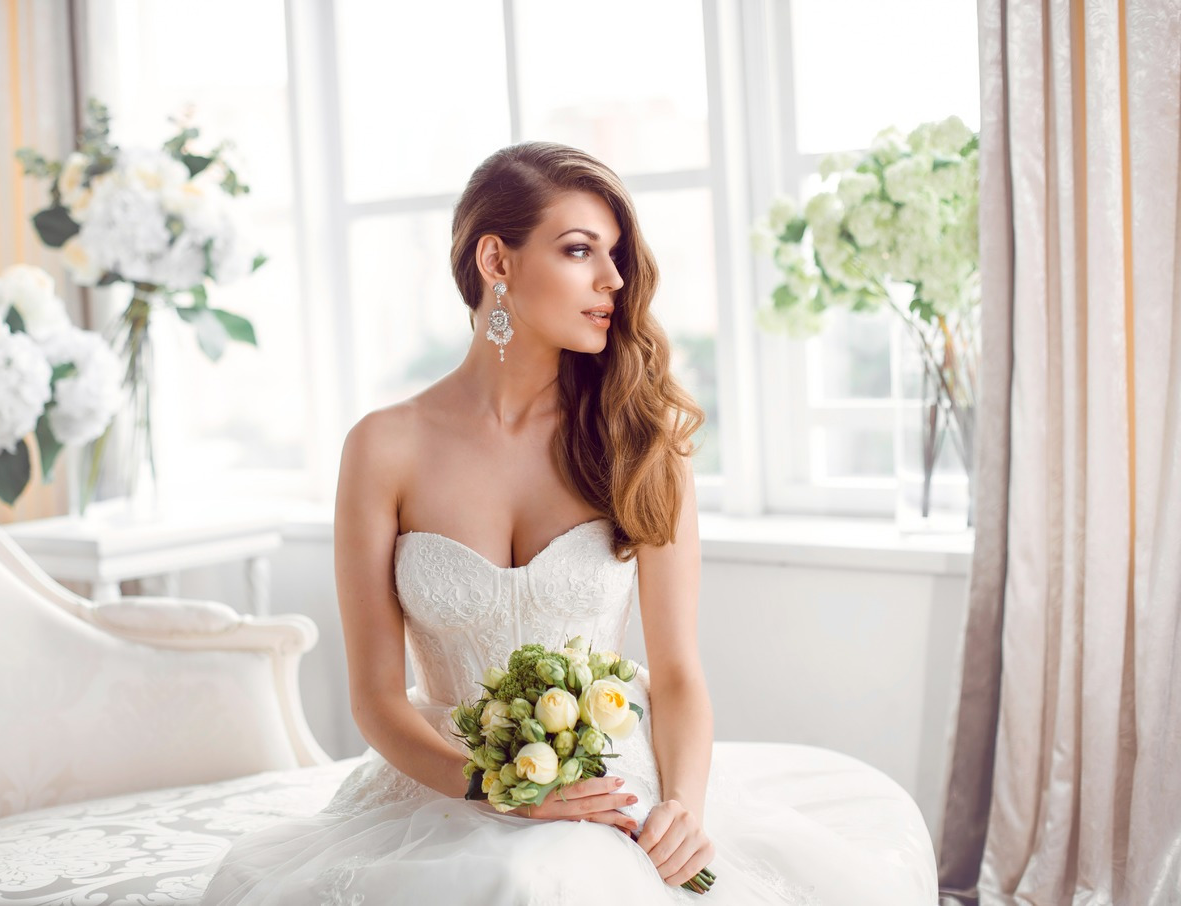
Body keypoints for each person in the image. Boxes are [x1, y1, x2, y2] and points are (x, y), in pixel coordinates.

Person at [201, 142, 936, 904]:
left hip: (609, 787)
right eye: (581, 250)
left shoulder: (640, 438)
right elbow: (377, 699)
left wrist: (682, 810)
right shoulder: (384, 448)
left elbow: (677, 675)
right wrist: (496, 788)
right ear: (496, 260)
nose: (613, 279)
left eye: (615, 254)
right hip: (444, 784)